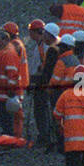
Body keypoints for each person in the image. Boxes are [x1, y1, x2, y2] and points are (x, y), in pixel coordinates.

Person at [0, 28, 25, 137]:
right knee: (4, 116)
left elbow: (12, 73)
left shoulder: (9, 53)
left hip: (6, 93)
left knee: (7, 117)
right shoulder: (4, 52)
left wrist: (11, 90)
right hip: (3, 92)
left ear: (5, 40)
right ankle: (8, 136)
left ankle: (9, 137)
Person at [34, 22, 61, 151]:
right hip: (56, 86)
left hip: (52, 87)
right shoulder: (58, 46)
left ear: (50, 35)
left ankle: (54, 141)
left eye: (44, 33)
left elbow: (48, 71)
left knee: (53, 114)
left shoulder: (52, 49)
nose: (42, 35)